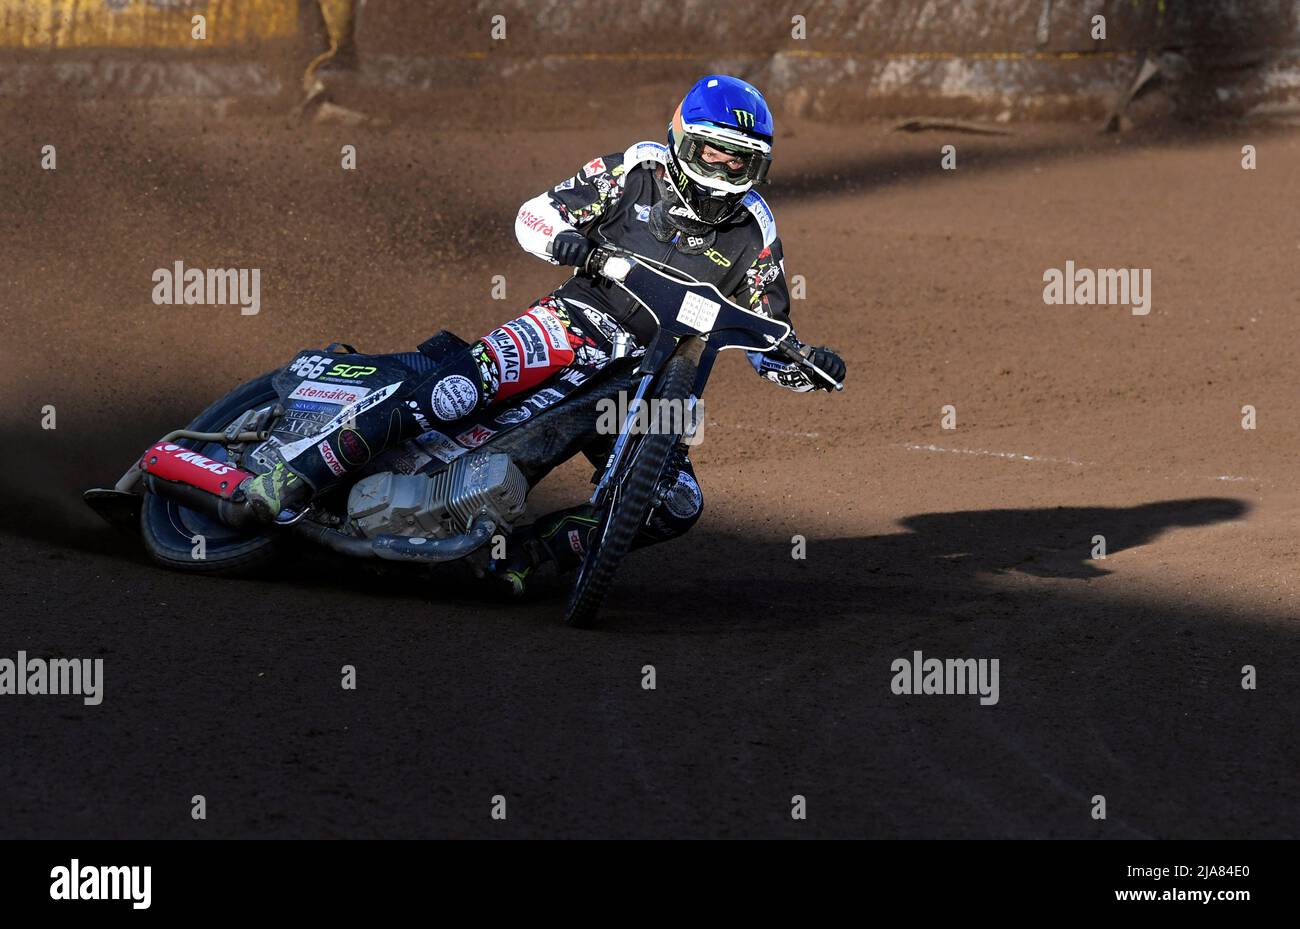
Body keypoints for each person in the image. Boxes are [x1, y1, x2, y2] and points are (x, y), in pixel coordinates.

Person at [243, 74, 847, 593]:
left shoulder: (755, 230)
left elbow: (767, 335)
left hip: (656, 376)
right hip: (575, 322)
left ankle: (527, 558)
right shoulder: (634, 171)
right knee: (457, 391)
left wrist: (805, 366)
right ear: (682, 137)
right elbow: (534, 216)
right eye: (712, 152)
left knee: (675, 504)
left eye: (738, 159)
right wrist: (569, 243)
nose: (723, 169)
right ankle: (297, 473)